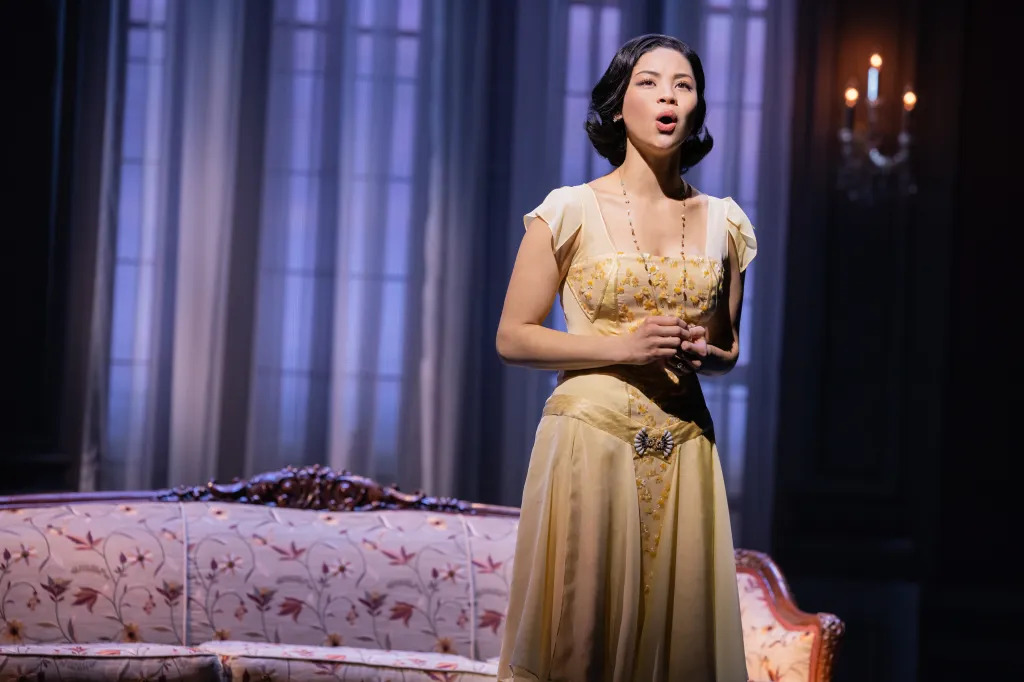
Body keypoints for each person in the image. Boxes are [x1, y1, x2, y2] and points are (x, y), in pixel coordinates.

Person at [494, 34, 756, 681]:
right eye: (649, 82)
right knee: (579, 639)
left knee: (680, 644)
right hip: (591, 441)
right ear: (618, 105)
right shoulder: (568, 210)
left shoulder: (724, 222)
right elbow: (513, 337)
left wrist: (705, 352)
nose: (668, 96)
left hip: (685, 445)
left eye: (683, 86)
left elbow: (728, 348)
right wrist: (622, 347)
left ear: (695, 109)